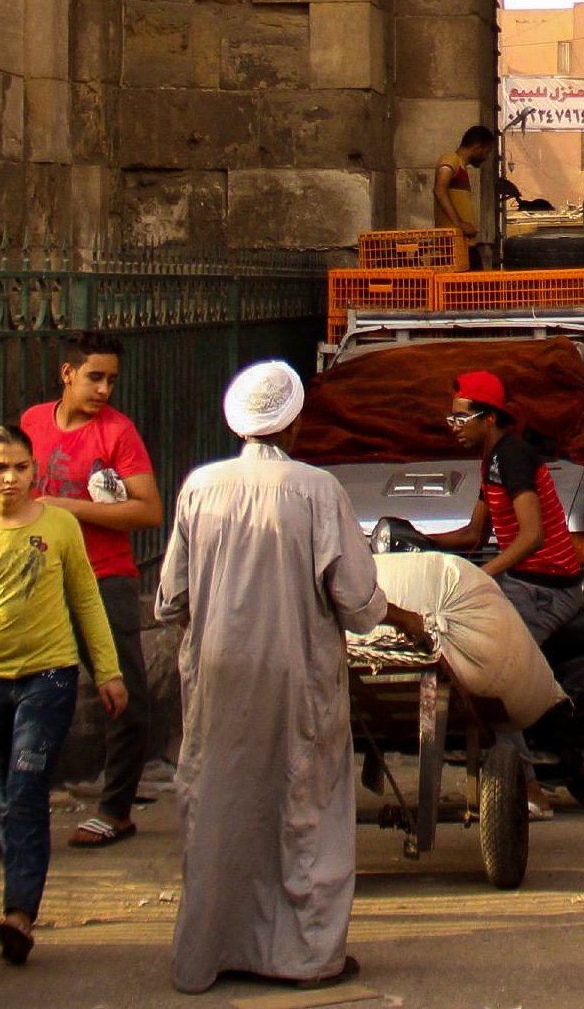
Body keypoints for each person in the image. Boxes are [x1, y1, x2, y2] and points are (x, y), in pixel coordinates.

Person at [162, 360, 431, 992]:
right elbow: (358, 602)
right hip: (295, 676)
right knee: (301, 804)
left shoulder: (199, 487)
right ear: (296, 422)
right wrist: (404, 618)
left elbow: (172, 600)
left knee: (219, 803)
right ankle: (306, 956)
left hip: (216, 675)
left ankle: (210, 951)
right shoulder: (316, 491)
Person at [0, 338, 162, 862]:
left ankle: (116, 807)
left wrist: (65, 508)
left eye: (112, 380)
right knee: (4, 688)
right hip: (35, 577)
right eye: (95, 377)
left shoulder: (117, 432)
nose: (103, 390)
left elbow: (147, 512)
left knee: (124, 692)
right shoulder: (33, 421)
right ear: (66, 373)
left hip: (102, 575)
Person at [0, 422, 127, 967]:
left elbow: (87, 599)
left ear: (33, 469)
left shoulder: (61, 526)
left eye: (20, 467)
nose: (11, 478)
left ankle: (19, 913)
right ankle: (17, 901)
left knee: (25, 784)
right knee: (4, 790)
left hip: (52, 676)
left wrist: (108, 671)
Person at [433, 367, 584, 644]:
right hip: (521, 581)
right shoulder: (491, 460)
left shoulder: (512, 456)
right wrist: (422, 542)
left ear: (489, 418)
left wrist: (482, 575)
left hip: (544, 590)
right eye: (452, 418)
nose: (454, 426)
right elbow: (474, 535)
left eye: (461, 418)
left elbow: (532, 536)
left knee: (494, 663)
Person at [435, 124, 496, 266]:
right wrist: (459, 224)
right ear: (477, 148)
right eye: (486, 152)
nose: (486, 157)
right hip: (453, 246)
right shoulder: (450, 159)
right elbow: (439, 188)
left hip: (465, 245)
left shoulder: (462, 168)